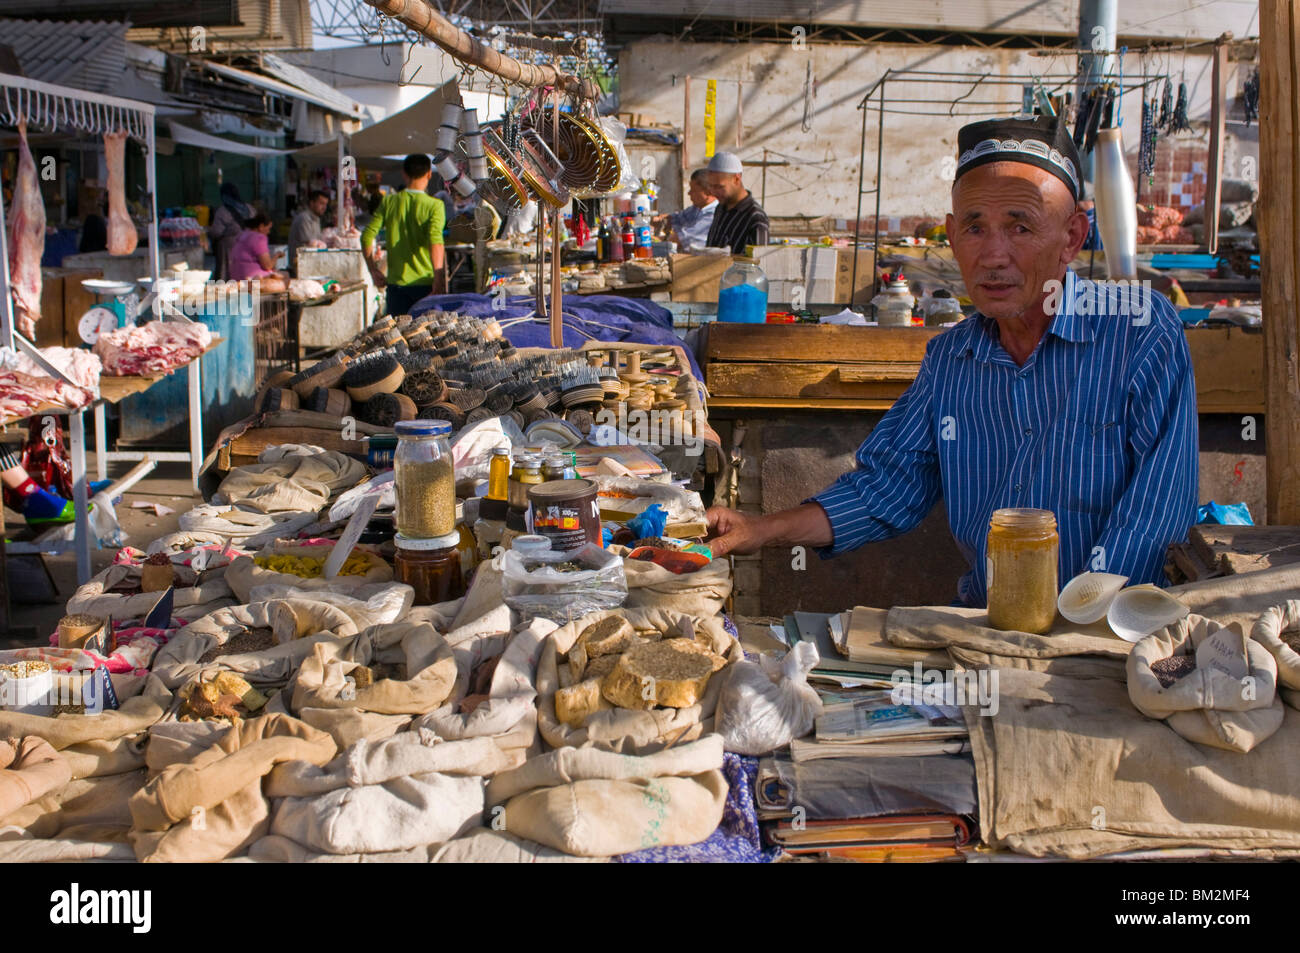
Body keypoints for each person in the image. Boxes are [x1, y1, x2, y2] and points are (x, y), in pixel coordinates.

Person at [706, 115, 1198, 606]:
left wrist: (1073, 622)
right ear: (951, 234)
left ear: (1072, 237)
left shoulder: (1137, 328)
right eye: (975, 228)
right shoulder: (950, 359)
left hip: (1115, 633)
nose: (993, 255)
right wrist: (760, 529)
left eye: (1020, 227)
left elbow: (1160, 507)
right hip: (989, 627)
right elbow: (887, 487)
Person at [361, 153, 446, 316]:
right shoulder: (435, 205)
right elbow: (435, 242)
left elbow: (366, 236)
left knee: (398, 338)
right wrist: (438, 278)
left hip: (396, 286)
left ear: (404, 174)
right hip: (425, 285)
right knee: (427, 337)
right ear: (429, 174)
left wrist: (373, 269)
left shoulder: (389, 202)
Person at [704, 152, 770, 254]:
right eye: (711, 186)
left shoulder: (756, 218)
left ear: (736, 179)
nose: (713, 192)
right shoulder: (720, 208)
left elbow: (760, 262)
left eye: (719, 187)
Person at [653, 169, 717, 252]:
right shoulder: (696, 208)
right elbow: (676, 218)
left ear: (708, 192)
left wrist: (654, 239)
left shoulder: (712, 215)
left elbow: (680, 239)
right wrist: (659, 220)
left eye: (693, 190)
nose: (689, 193)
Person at [208, 182, 251, 281]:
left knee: (226, 275)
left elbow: (216, 232)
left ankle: (225, 293)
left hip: (229, 250)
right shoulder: (249, 208)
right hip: (248, 246)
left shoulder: (222, 211)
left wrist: (208, 232)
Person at [227, 213, 284, 281]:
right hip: (251, 277)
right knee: (285, 275)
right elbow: (267, 266)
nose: (269, 232)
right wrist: (277, 255)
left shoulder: (242, 235)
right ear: (261, 226)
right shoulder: (259, 238)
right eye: (268, 228)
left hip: (236, 276)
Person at [287, 190, 329, 276]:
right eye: (321, 203)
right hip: (300, 266)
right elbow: (311, 244)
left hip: (311, 264)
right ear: (312, 203)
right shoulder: (304, 219)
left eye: (325, 204)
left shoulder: (316, 219)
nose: (324, 207)